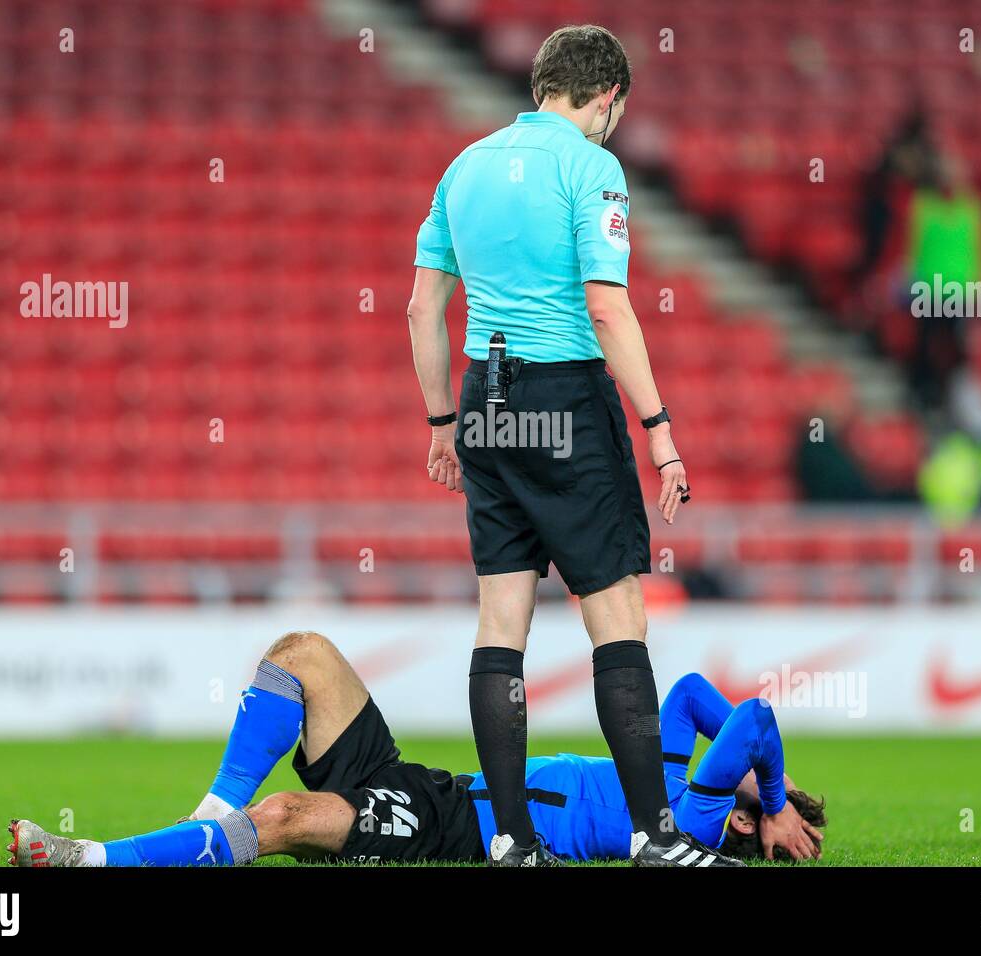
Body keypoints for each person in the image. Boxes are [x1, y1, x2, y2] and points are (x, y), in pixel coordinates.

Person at [405, 23, 709, 867]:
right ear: (606, 96)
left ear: (543, 84)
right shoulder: (591, 167)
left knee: (501, 620)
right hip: (565, 400)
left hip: (486, 407)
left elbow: (422, 309)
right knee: (615, 615)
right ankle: (656, 835)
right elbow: (608, 309)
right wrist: (660, 432)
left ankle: (511, 840)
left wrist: (441, 426)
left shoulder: (463, 167)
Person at [7, 631, 825, 867]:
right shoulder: (669, 787)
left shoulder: (703, 822)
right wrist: (774, 790)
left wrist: (780, 796)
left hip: (451, 832)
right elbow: (685, 692)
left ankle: (92, 860)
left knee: (286, 814)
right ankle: (209, 818)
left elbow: (752, 720)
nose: (751, 779)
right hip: (429, 785)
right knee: (304, 655)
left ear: (751, 823)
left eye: (759, 795)